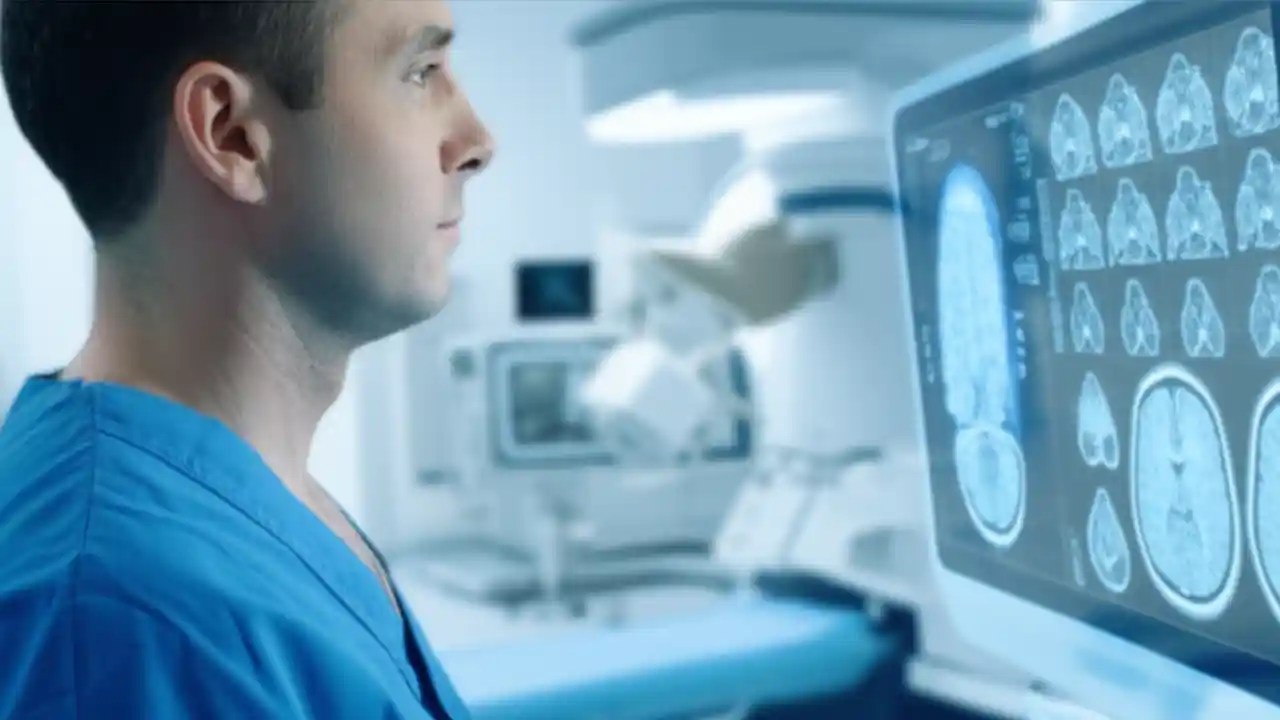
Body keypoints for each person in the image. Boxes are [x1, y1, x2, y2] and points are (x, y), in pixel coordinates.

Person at [0, 0, 492, 717]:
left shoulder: (243, 509)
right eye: (420, 72)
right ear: (232, 135)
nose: (478, 141)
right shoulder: (123, 627)